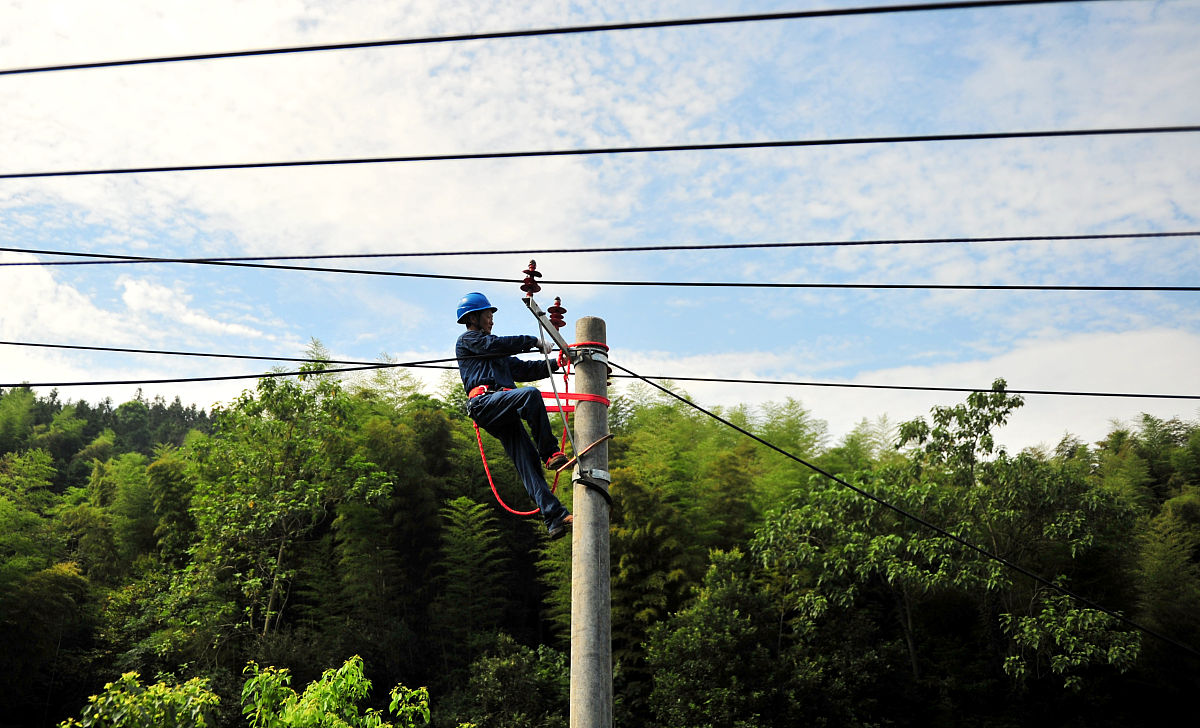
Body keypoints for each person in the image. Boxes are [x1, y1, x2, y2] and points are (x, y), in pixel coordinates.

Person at [455, 291, 574, 538]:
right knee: (529, 395)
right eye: (488, 315)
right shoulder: (468, 340)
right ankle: (551, 453)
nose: (492, 320)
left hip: (502, 409)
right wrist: (532, 340)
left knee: (528, 464)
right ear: (474, 317)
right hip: (484, 404)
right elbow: (495, 344)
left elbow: (523, 368)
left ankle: (555, 518)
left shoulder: (497, 354)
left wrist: (555, 363)